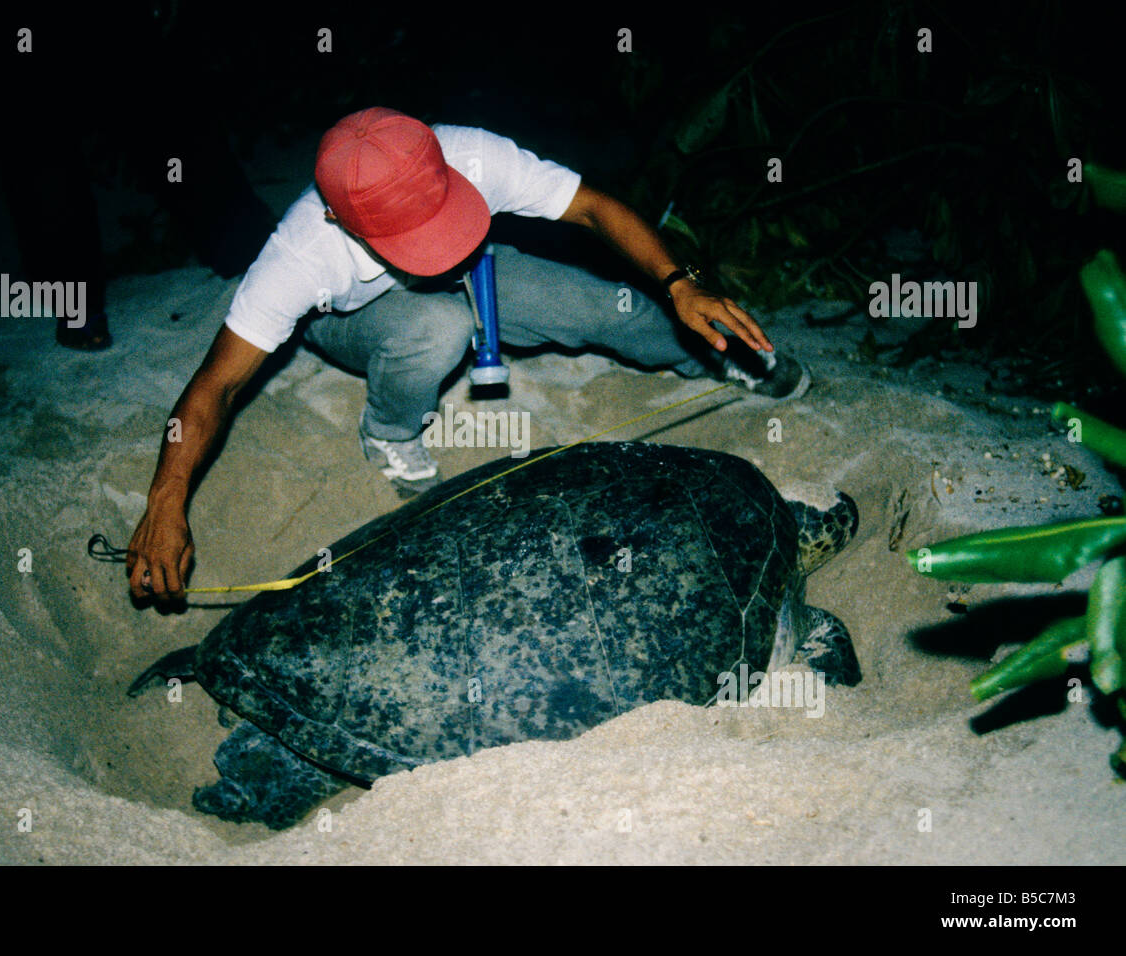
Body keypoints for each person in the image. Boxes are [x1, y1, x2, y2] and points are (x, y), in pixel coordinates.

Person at [127, 107, 807, 603]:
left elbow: (596, 208)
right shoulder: (302, 254)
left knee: (603, 306)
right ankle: (389, 433)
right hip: (351, 320)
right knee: (435, 327)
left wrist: (678, 283)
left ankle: (719, 357)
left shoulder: (472, 154)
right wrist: (165, 501)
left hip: (478, 265)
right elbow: (212, 389)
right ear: (339, 220)